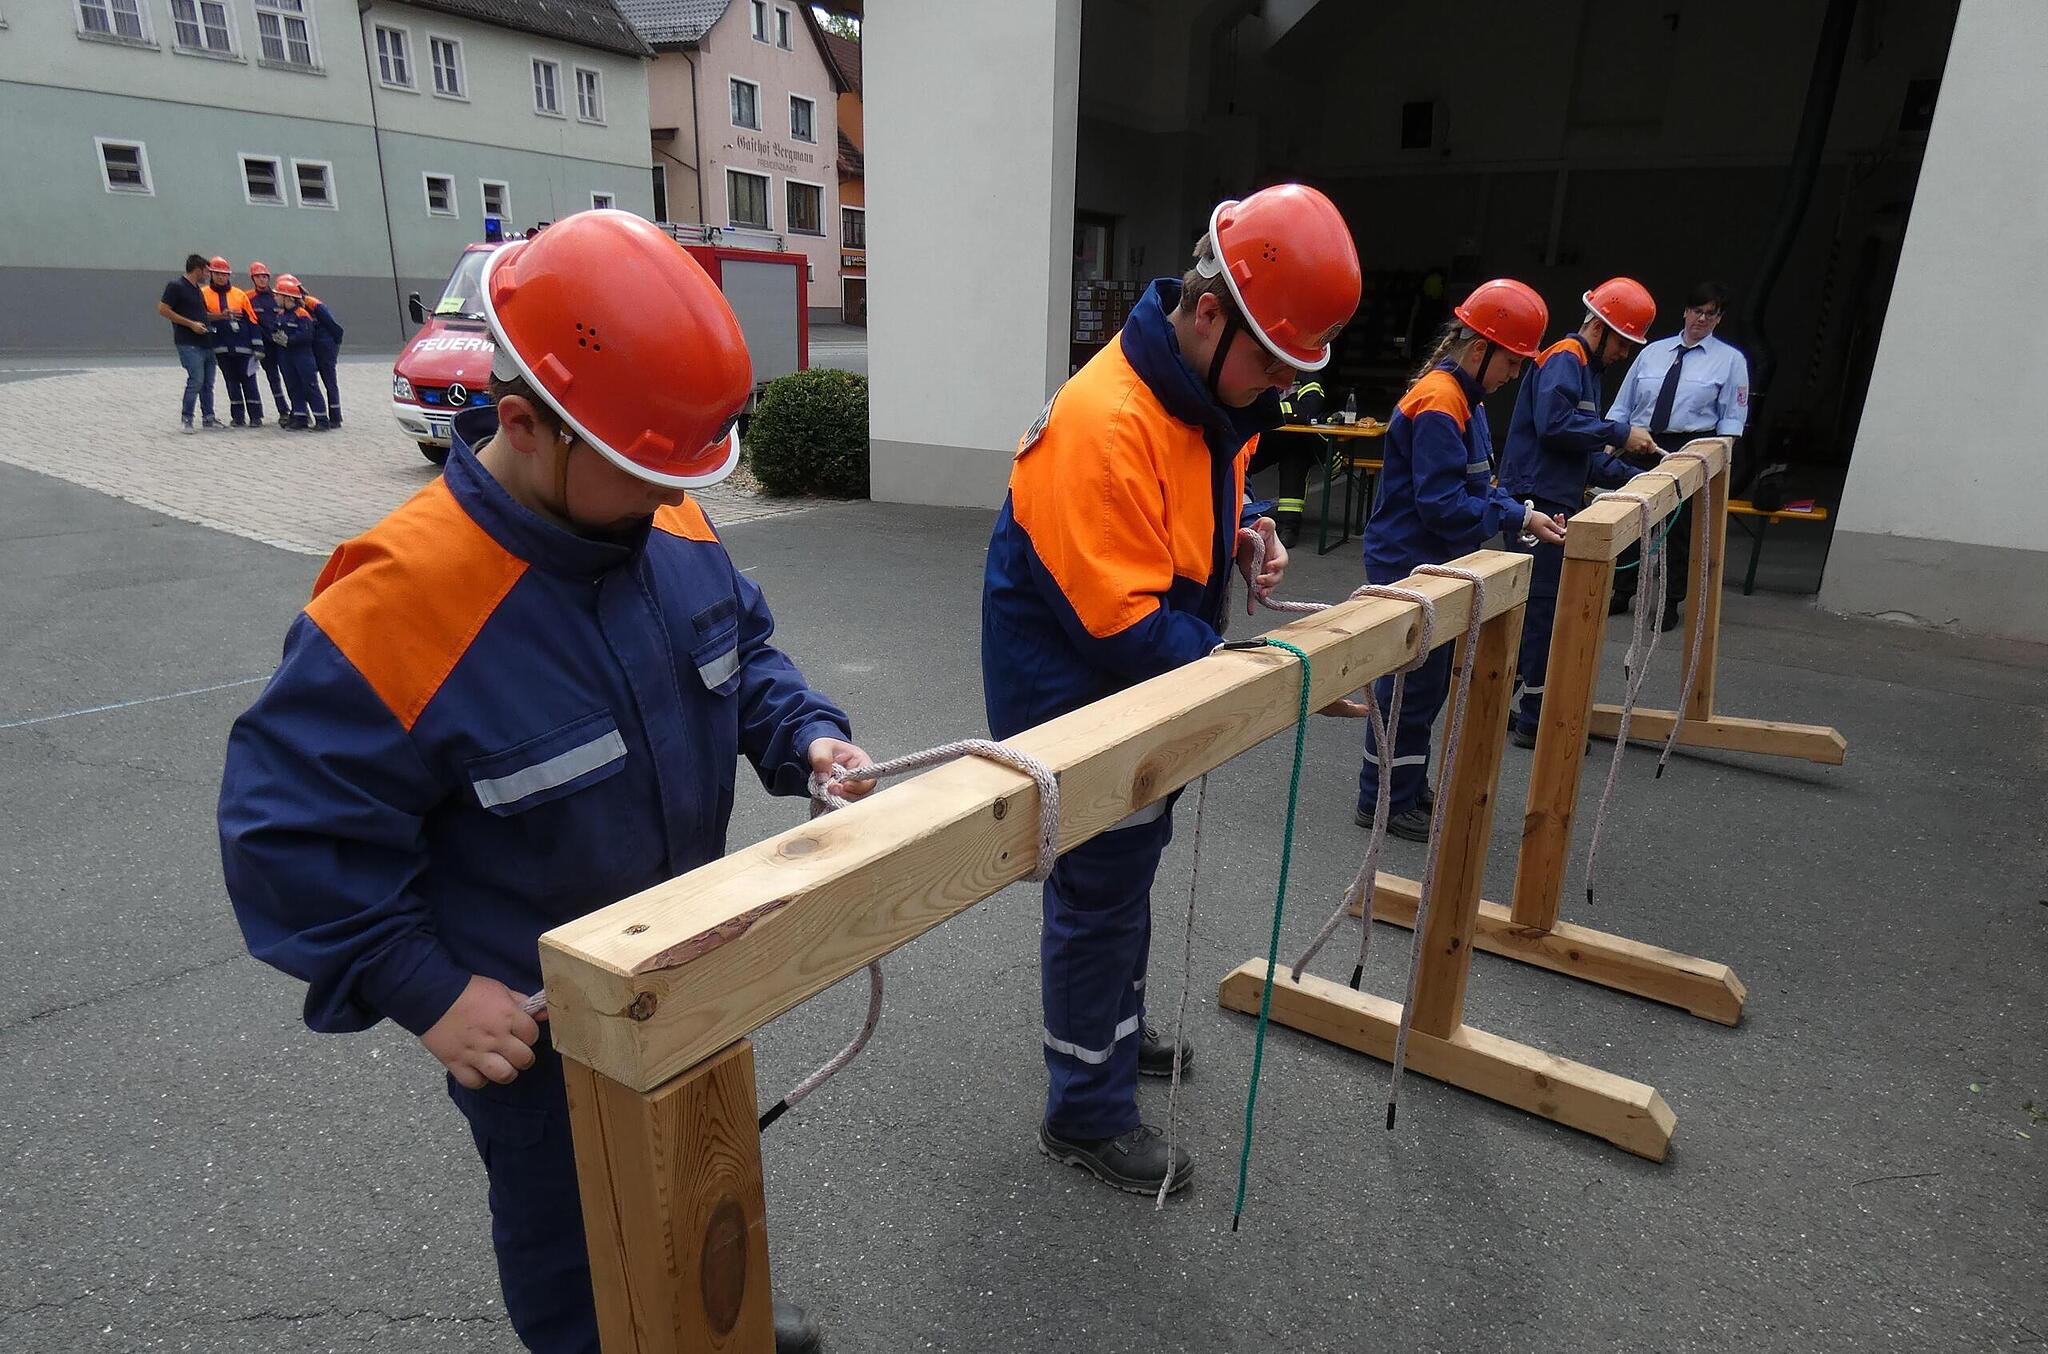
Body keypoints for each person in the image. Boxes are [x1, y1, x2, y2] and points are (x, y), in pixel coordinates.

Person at [217, 209, 863, 1354]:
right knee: (578, 1253)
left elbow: (743, 654)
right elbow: (287, 832)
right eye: (645, 475)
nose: (672, 499)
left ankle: (714, 1316)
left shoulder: (662, 514)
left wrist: (806, 735)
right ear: (523, 422)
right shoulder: (397, 606)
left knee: (710, 1164)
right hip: (536, 1041)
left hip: (687, 967)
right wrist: (421, 989)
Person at [982, 184, 1361, 1195]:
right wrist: (1274, 676)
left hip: (1132, 671)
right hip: (1072, 688)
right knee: (1099, 888)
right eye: (1270, 363)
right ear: (1208, 313)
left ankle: (1111, 1034)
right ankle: (1085, 1109)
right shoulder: (1104, 422)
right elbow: (1125, 626)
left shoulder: (1202, 394)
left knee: (1130, 869)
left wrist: (1236, 534)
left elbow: (1171, 518)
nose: (1273, 388)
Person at [1356, 279, 1566, 841]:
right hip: (1410, 562)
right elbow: (1444, 506)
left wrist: (1521, 516)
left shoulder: (1462, 402)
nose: (1514, 376)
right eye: (1512, 362)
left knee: (1423, 687)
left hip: (1431, 563)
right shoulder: (1442, 404)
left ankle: (1404, 785)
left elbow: (1477, 487)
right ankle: (1384, 800)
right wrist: (1506, 519)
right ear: (1480, 351)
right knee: (1408, 687)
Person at [1497, 278, 1662, 744]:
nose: (1624, 354)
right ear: (1603, 327)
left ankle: (1515, 703)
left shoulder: (1584, 368)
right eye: (1624, 343)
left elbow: (1578, 449)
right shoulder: (1566, 359)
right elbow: (1556, 426)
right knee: (1541, 611)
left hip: (1551, 496)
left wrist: (1631, 477)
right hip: (1539, 499)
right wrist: (1619, 432)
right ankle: (1534, 718)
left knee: (1542, 610)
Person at [1607, 281, 1751, 629]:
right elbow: (1623, 405)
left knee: (1679, 529)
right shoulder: (1652, 353)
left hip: (1689, 447)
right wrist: (1609, 442)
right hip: (1641, 442)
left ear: (1719, 319)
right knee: (1630, 519)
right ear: (1685, 312)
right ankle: (1621, 591)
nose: (1701, 319)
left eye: (1710, 314)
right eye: (1696, 311)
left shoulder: (1730, 361)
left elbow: (1732, 418)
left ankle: (1669, 602)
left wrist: (1720, 458)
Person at [1248, 376, 1328, 547]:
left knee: (1297, 449)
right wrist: (1289, 410)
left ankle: (1288, 524)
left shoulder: (1308, 376)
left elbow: (1308, 411)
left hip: (1285, 441)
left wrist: (1268, 409)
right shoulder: (1261, 367)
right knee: (1298, 444)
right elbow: (1244, 405)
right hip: (1256, 442)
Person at [157, 253, 222, 432]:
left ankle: (209, 418)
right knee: (196, 380)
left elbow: (201, 314)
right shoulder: (176, 286)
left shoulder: (197, 290)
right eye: (206, 272)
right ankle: (187, 418)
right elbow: (163, 309)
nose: (208, 275)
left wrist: (221, 316)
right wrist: (191, 325)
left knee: (208, 383)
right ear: (197, 270)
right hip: (188, 343)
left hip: (206, 342)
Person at [201, 257, 266, 428]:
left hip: (243, 347)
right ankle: (238, 417)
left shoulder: (239, 294)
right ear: (211, 274)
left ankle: (256, 416)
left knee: (249, 381)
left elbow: (252, 320)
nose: (221, 277)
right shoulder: (204, 294)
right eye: (218, 274)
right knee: (231, 382)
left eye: (224, 274)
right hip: (221, 347)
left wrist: (258, 345)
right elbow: (201, 317)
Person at [263, 275, 331, 431]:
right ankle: (300, 417)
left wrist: (288, 340)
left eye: (278, 295)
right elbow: (274, 329)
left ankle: (321, 419)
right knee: (293, 386)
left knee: (310, 386)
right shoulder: (281, 314)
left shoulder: (302, 314)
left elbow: (306, 335)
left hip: (302, 356)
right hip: (286, 356)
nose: (275, 297)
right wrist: (276, 337)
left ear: (287, 297)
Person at [246, 263, 290, 413]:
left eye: (264, 277)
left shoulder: (278, 296)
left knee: (290, 376)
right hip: (265, 345)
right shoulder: (248, 298)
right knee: (273, 379)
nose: (262, 280)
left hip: (282, 343)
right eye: (258, 277)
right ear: (253, 278)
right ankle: (283, 410)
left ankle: (299, 411)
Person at [303, 285, 345, 425]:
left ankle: (335, 417)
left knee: (330, 383)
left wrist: (334, 347)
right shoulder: (297, 308)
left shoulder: (314, 304)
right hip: (313, 349)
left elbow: (335, 327)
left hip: (325, 348)